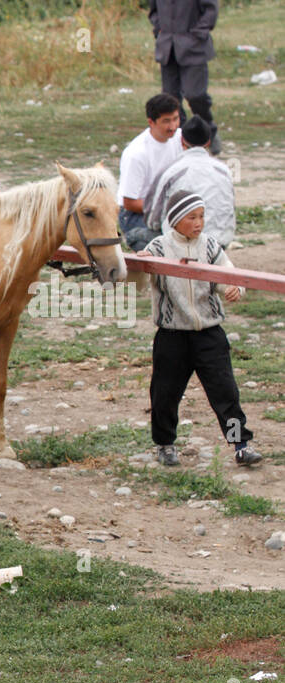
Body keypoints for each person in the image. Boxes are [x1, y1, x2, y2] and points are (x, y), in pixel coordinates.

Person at [139, 190, 262, 467]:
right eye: (191, 217)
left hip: (209, 335)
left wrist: (235, 287)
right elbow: (135, 280)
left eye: (202, 216)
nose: (199, 222)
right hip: (172, 335)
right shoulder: (158, 248)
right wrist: (141, 263)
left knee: (225, 392)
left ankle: (240, 444)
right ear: (174, 220)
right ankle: (165, 444)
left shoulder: (209, 246)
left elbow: (229, 273)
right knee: (165, 393)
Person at [148, 116, 236, 246]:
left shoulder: (173, 171)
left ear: (182, 140)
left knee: (136, 235)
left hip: (183, 245)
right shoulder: (224, 171)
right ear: (208, 142)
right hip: (220, 243)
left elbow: (154, 221)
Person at [151, 0, 223, 155]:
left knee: (196, 95)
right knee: (170, 99)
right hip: (167, 48)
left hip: (194, 47)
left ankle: (209, 130)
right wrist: (159, 29)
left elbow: (211, 10)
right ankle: (182, 138)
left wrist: (199, 32)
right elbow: (153, 11)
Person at [118, 93, 185, 251]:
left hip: (169, 208)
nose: (173, 126)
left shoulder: (179, 138)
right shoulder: (136, 154)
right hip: (137, 214)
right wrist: (166, 210)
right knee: (161, 246)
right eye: (166, 121)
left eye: (175, 119)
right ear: (151, 122)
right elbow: (129, 202)